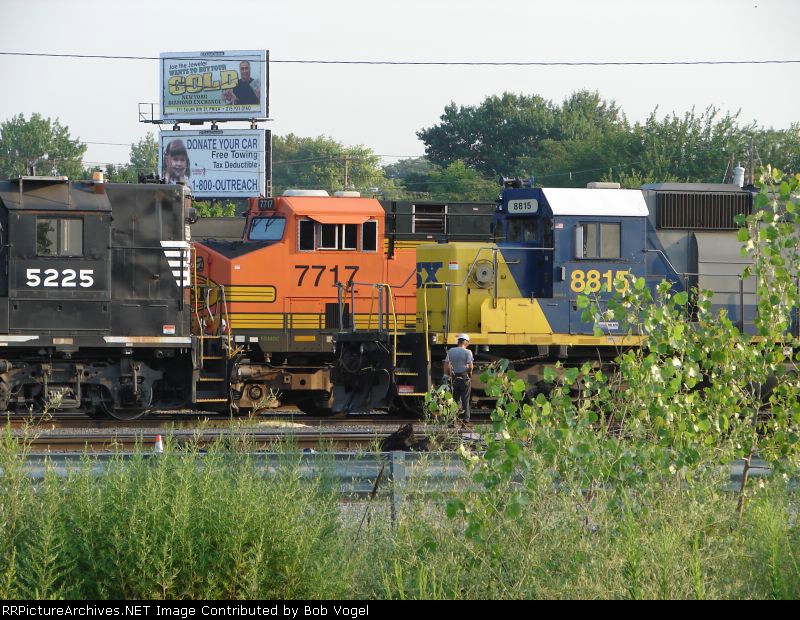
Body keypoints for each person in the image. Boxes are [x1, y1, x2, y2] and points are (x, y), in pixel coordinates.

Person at [443, 333, 474, 422]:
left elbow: (446, 364)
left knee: (454, 401)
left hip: (454, 379)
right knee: (465, 400)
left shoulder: (451, 351)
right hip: (464, 378)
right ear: (466, 342)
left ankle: (452, 421)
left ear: (458, 341)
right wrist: (469, 374)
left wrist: (446, 375)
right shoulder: (468, 352)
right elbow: (471, 367)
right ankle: (466, 420)